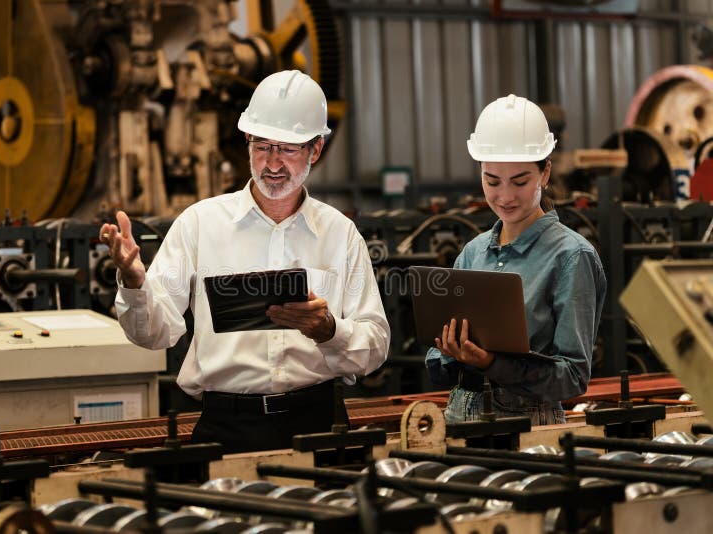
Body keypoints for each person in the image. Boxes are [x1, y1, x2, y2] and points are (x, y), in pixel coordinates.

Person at [100, 70, 390, 453]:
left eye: (288, 149)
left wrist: (328, 329)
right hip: (227, 427)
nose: (273, 163)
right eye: (262, 146)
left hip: (319, 422)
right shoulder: (200, 224)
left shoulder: (340, 234)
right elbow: (154, 334)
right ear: (247, 141)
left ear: (316, 150)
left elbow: (376, 345)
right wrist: (135, 283)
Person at [425, 94, 606, 426]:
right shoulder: (473, 252)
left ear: (545, 173)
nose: (505, 196)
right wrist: (449, 351)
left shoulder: (571, 257)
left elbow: (572, 376)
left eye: (520, 181)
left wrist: (491, 363)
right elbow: (437, 360)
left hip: (529, 424)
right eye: (492, 181)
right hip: (458, 415)